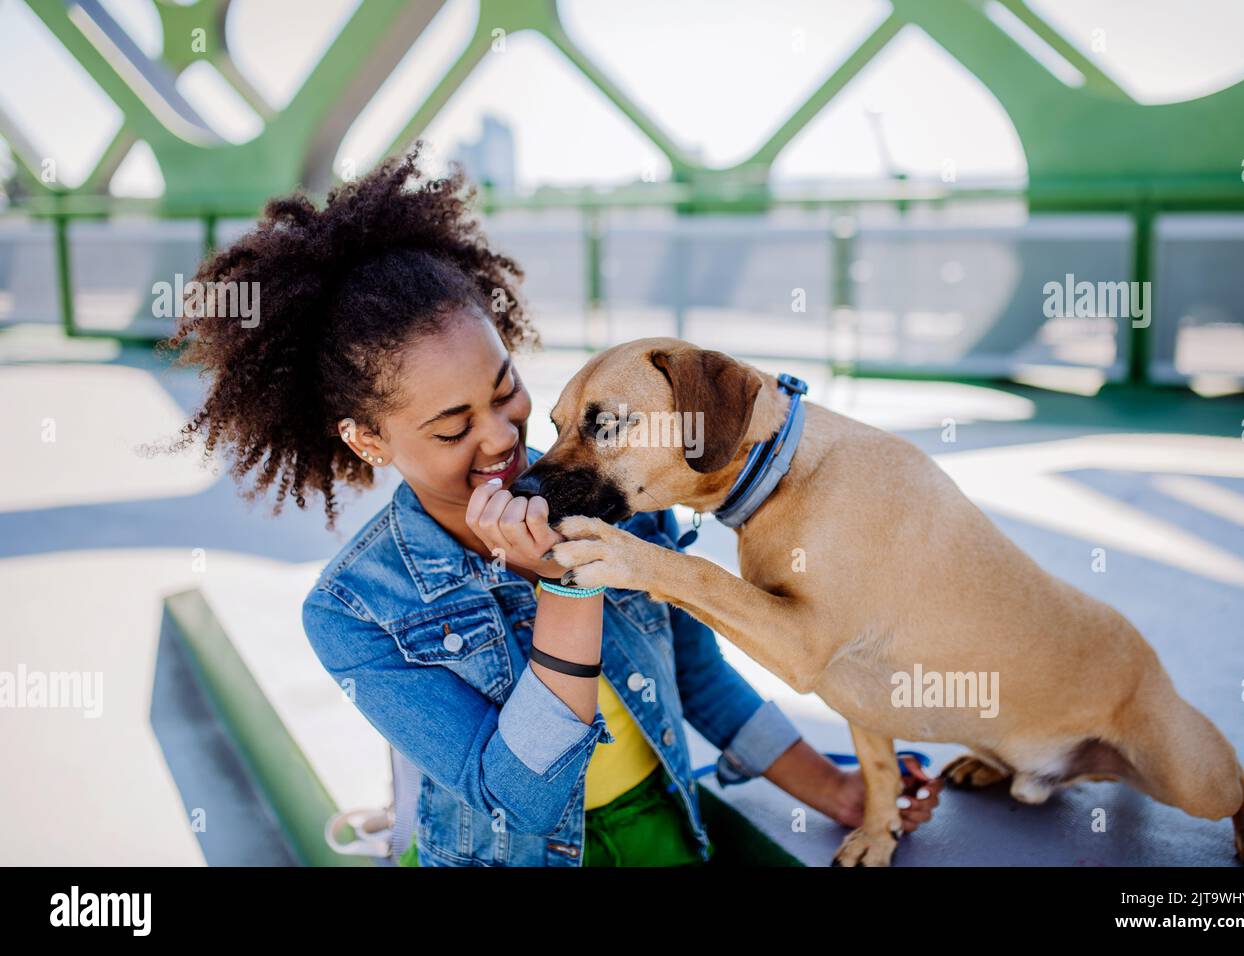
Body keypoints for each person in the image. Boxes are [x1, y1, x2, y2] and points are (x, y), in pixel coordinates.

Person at [163, 144, 941, 866]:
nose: (503, 438)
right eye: (452, 427)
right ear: (368, 440)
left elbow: (699, 681)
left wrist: (839, 791)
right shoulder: (355, 611)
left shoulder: (622, 494)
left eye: (506, 392)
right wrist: (568, 583)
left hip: (657, 833)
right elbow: (520, 802)